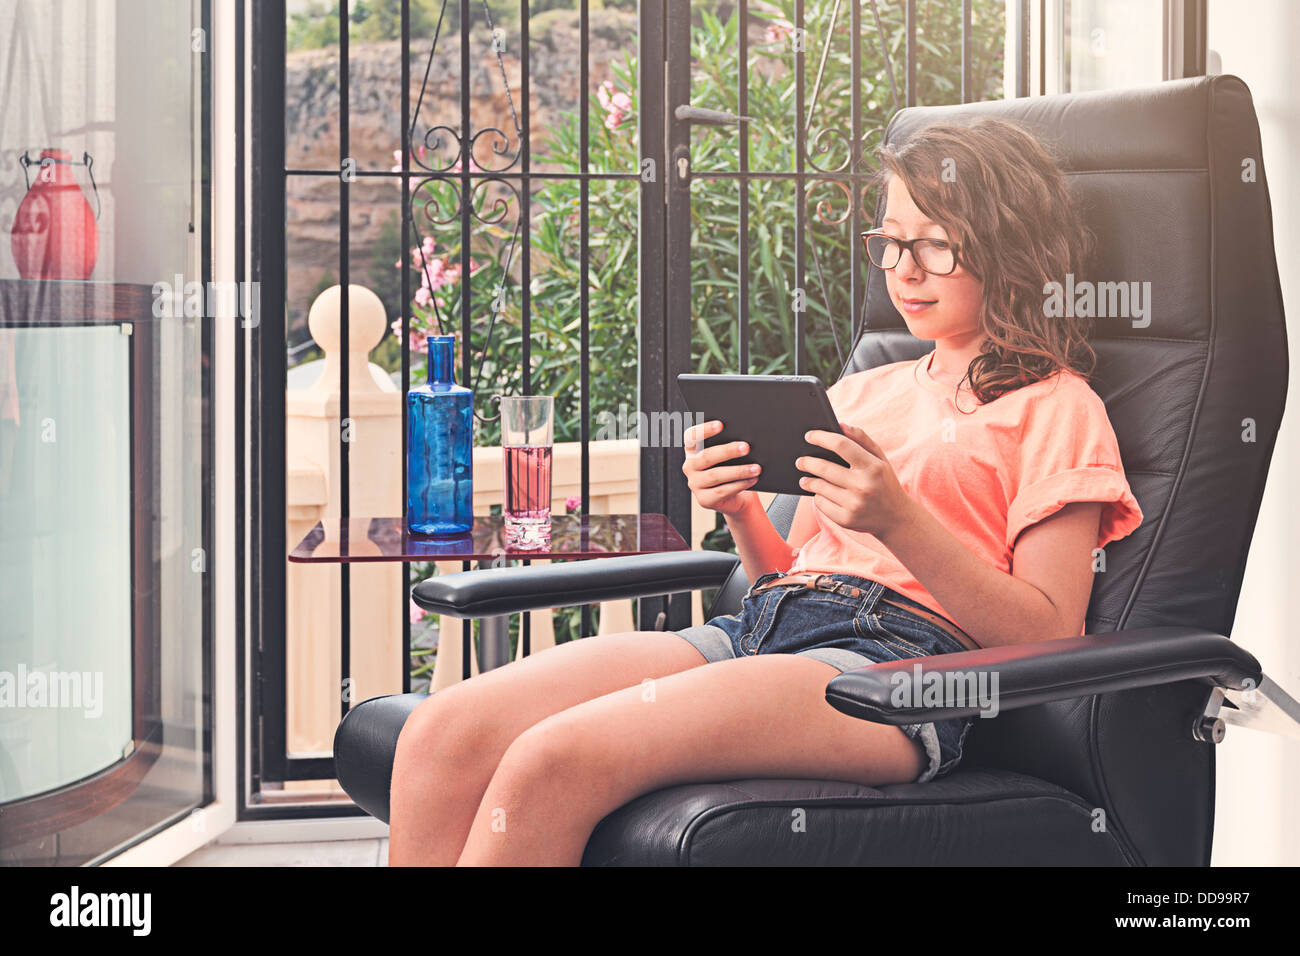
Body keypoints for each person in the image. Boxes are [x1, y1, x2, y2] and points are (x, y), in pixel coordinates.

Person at [387, 117, 1144, 866]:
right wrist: (740, 508)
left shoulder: (1057, 407)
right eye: (889, 242)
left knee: (552, 758)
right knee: (443, 732)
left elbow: (1051, 635)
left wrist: (901, 522)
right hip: (762, 627)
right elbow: (789, 576)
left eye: (936, 243)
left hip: (897, 675)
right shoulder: (863, 390)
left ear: (1008, 247)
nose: (904, 270)